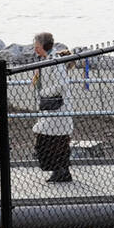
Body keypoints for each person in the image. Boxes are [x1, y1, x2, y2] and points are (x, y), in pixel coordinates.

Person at [30, 31, 73, 182]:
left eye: (37, 46)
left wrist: (44, 92)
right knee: (56, 140)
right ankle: (61, 170)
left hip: (56, 107)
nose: (35, 49)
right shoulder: (48, 60)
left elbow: (61, 84)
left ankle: (60, 170)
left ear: (43, 46)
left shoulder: (55, 62)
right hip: (52, 108)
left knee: (51, 139)